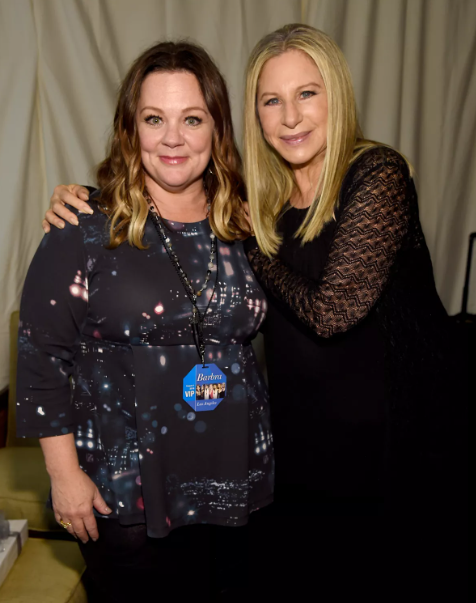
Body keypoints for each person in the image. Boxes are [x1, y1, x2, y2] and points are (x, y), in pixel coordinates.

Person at [42, 23, 467, 595]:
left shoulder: (375, 174)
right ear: (251, 116)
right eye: (272, 100)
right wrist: (87, 201)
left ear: (336, 95)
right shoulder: (260, 204)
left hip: (389, 452)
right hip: (298, 455)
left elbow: (332, 311)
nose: (290, 117)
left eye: (307, 93)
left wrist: (250, 245)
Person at [17, 40, 273, 602]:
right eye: (154, 119)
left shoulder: (246, 222)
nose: (173, 138)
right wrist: (64, 478)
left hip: (234, 482)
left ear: (218, 129)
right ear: (131, 130)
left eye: (192, 119)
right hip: (127, 493)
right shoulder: (84, 225)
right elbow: (41, 356)